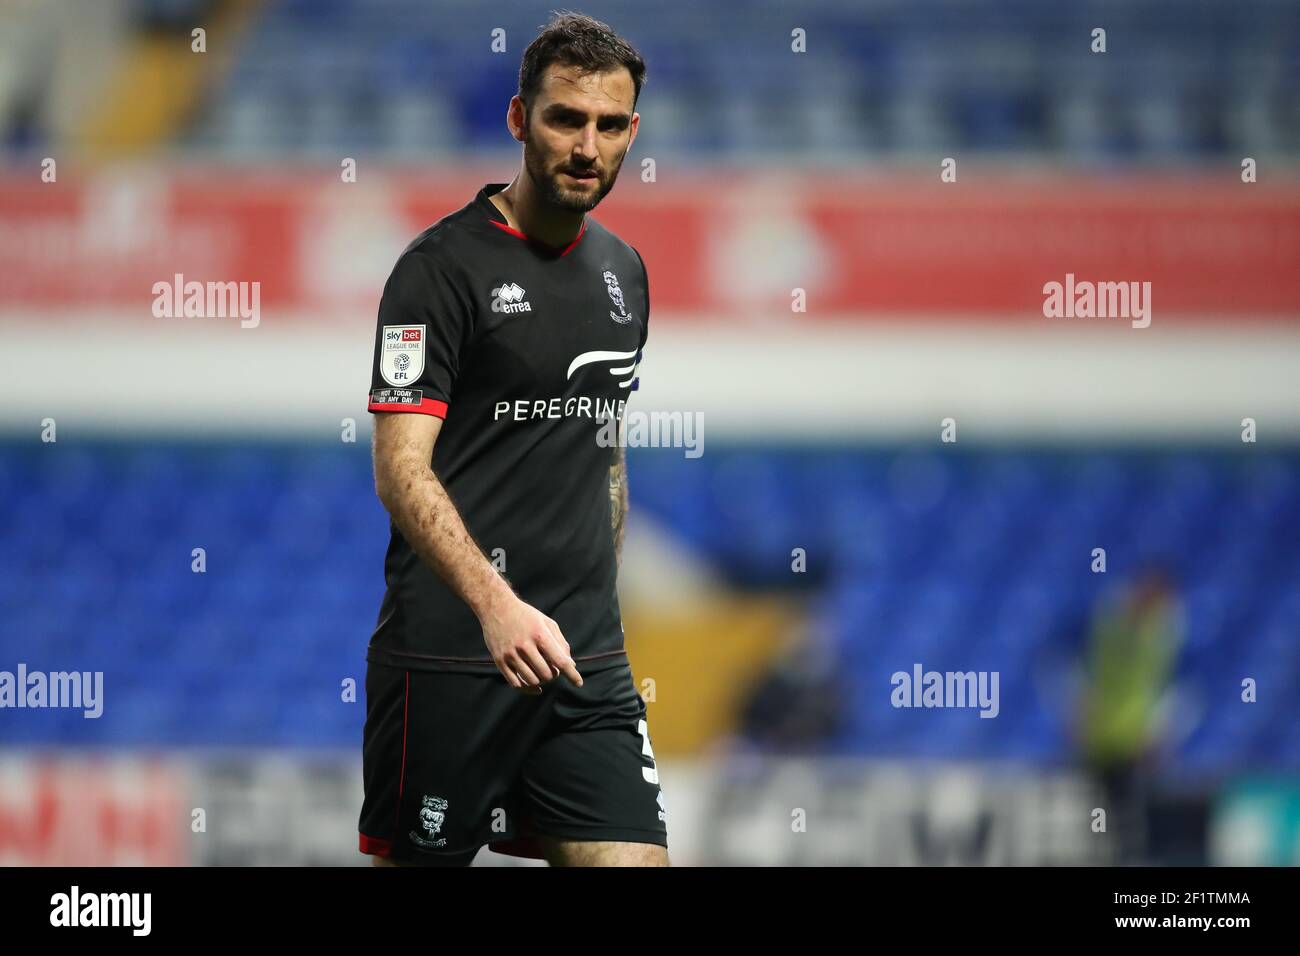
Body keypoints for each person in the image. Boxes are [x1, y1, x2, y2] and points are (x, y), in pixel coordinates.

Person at [357, 13, 667, 867]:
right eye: (565, 118)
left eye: (609, 127)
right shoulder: (437, 271)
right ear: (518, 118)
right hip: (452, 659)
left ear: (632, 132)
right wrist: (496, 604)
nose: (586, 146)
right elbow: (399, 472)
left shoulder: (625, 272)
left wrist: (597, 604)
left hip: (584, 664)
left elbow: (604, 454)